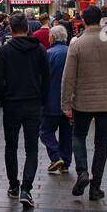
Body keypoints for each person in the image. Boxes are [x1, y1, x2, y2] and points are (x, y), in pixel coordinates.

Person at [60, 5, 107, 201]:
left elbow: (68, 77)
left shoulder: (77, 44)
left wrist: (65, 103)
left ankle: (82, 172)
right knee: (101, 143)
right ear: (100, 20)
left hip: (83, 102)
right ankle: (95, 187)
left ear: (83, 20)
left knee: (79, 135)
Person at [0, 14, 49, 209]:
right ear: (27, 28)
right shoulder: (40, 49)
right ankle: (26, 188)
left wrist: (2, 100)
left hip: (12, 105)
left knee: (11, 146)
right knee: (32, 148)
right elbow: (46, 78)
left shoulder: (5, 51)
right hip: (33, 104)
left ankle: (13, 186)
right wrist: (42, 101)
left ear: (11, 29)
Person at [40, 25, 73, 175]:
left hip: (51, 101)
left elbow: (42, 79)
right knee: (67, 133)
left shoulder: (48, 54)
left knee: (45, 131)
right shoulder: (71, 52)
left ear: (52, 37)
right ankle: (65, 163)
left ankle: (56, 156)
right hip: (70, 101)